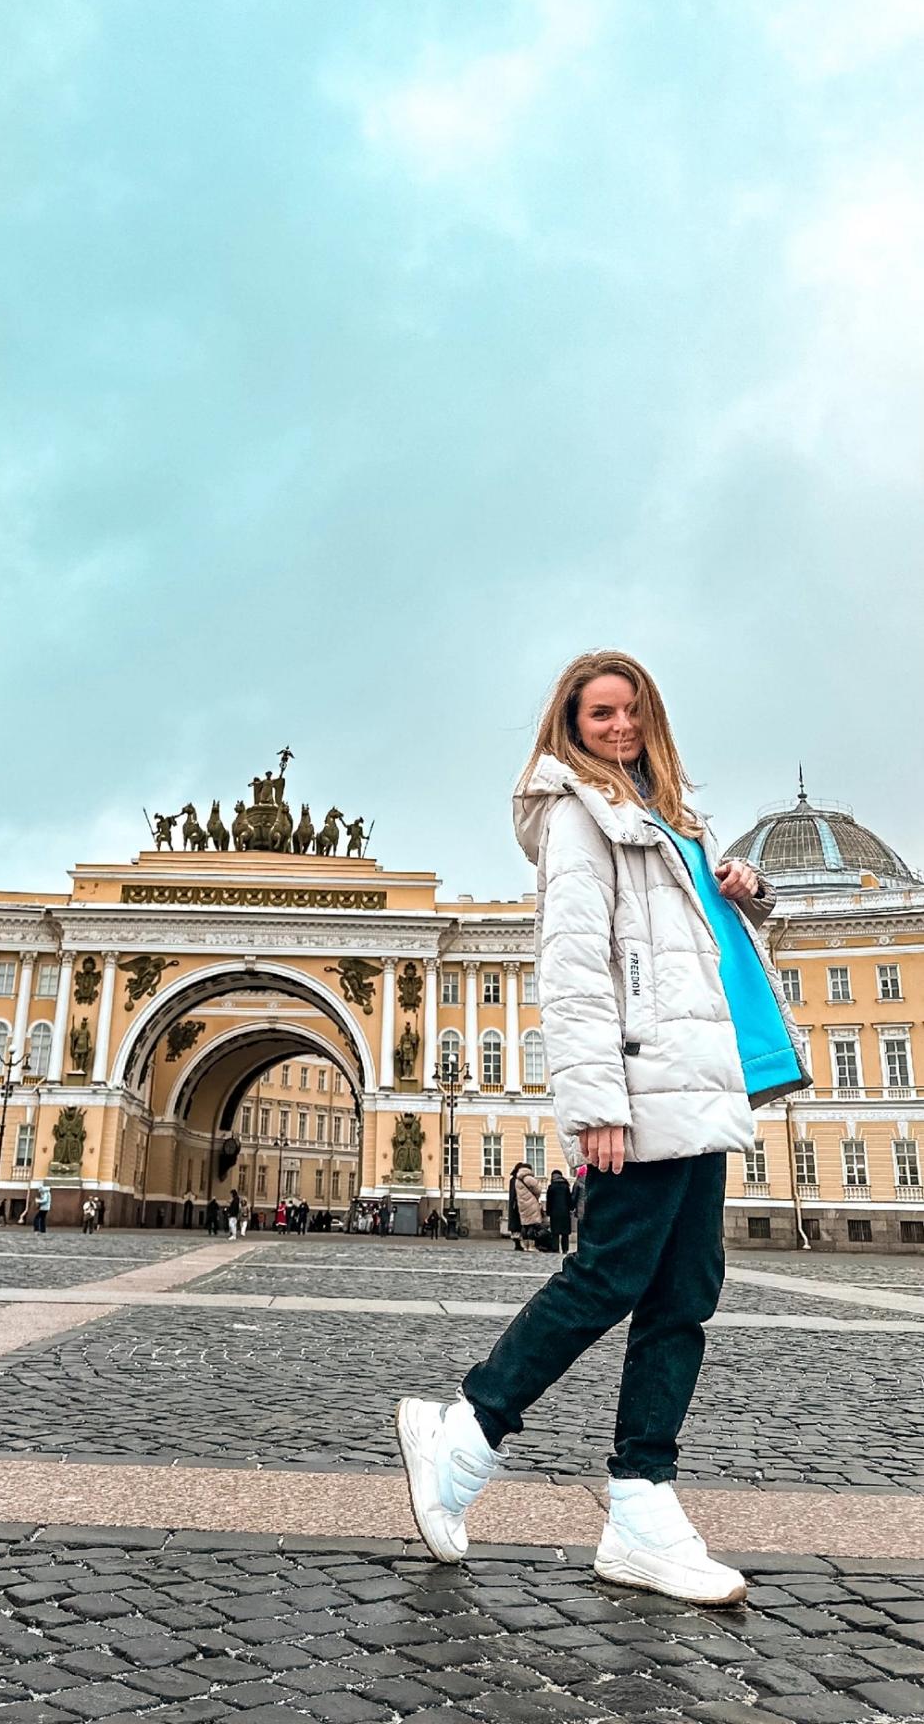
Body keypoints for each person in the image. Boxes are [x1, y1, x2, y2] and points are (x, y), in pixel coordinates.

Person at [396, 650, 808, 1606]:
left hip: (702, 1084)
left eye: (628, 711)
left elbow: (704, 946)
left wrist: (744, 889)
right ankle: (464, 1435)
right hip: (643, 1087)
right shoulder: (581, 817)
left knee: (685, 1293)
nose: (617, 727)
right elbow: (574, 967)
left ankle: (640, 1501)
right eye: (597, 716)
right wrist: (593, 1109)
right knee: (607, 1276)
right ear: (570, 726)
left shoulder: (670, 818)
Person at [511, 1160, 542, 1253]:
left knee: (525, 1225)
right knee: (532, 1224)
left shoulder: (517, 1179)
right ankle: (531, 1246)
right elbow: (538, 1189)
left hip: (522, 1204)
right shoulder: (527, 1177)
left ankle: (525, 1245)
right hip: (531, 1203)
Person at [545, 1170, 575, 1254]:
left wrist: (548, 1212)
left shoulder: (551, 1187)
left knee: (555, 1232)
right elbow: (569, 1199)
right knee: (565, 1233)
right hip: (565, 1212)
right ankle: (565, 1249)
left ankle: (555, 1249)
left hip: (554, 1213)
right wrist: (571, 1208)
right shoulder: (566, 1186)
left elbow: (549, 1201)